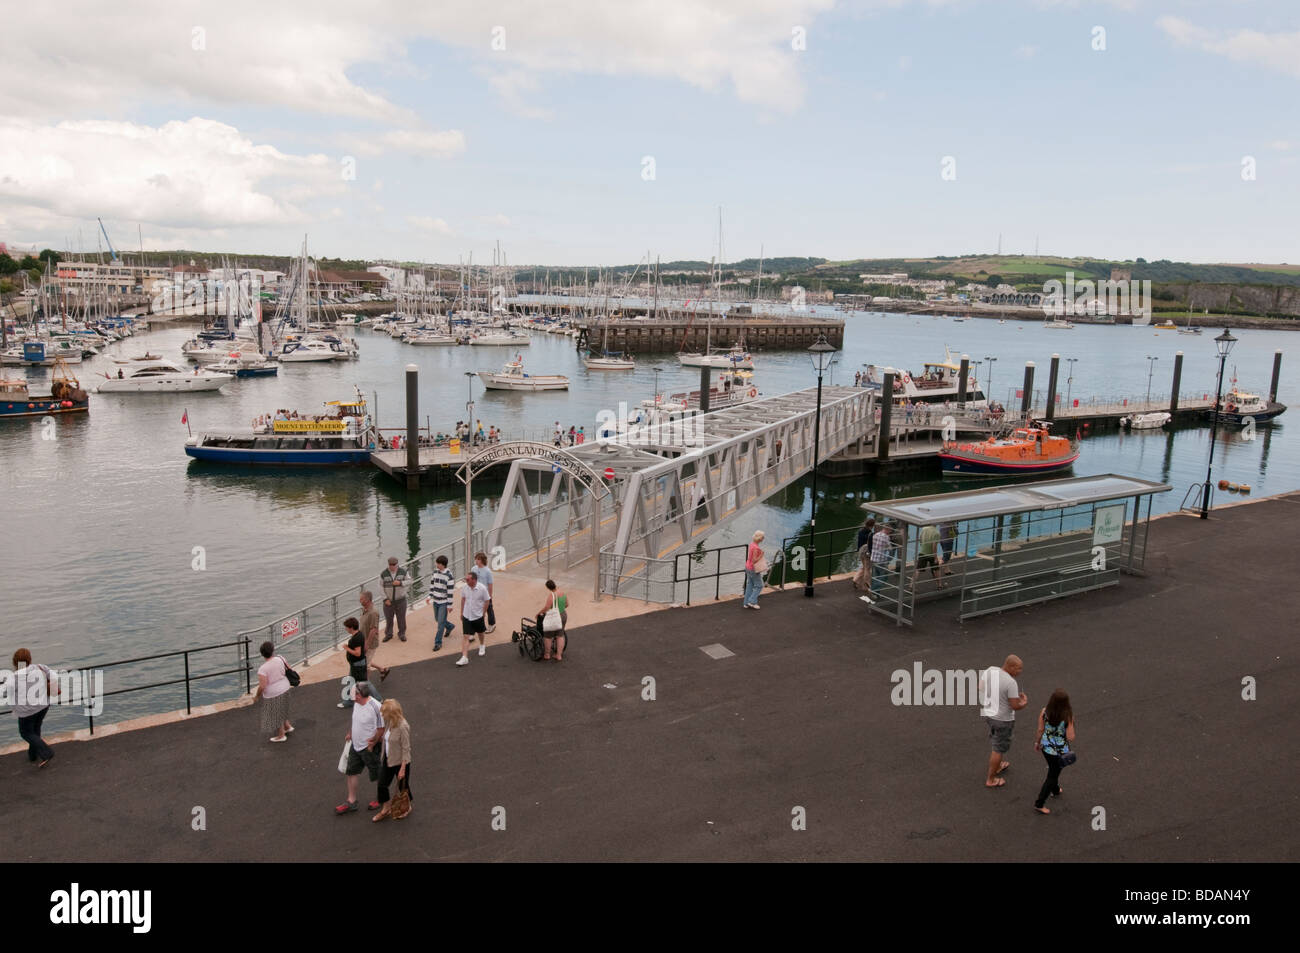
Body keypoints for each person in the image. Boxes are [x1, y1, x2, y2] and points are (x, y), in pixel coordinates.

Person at [335, 682, 385, 815]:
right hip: (355, 744)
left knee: (377, 773)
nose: (351, 695)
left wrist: (373, 743)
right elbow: (355, 719)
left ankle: (381, 798)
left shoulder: (375, 706)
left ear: (359, 695)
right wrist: (350, 733)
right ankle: (351, 801)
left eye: (352, 693)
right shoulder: (357, 704)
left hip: (369, 747)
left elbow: (381, 728)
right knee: (351, 771)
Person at [981, 655, 1028, 788]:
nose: (1020, 671)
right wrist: (1024, 703)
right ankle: (991, 778)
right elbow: (1015, 706)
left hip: (988, 714)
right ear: (1011, 667)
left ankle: (998, 764)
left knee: (996, 738)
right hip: (1002, 719)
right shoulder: (1011, 682)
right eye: (1019, 669)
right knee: (998, 749)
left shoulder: (990, 670)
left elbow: (981, 687)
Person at [1033, 689, 1076, 815]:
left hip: (1046, 748)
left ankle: (1056, 789)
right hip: (1059, 751)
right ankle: (1039, 803)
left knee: (1053, 768)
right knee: (1052, 775)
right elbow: (1070, 737)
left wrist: (1037, 743)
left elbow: (1040, 730)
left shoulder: (1044, 712)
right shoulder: (1067, 716)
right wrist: (1071, 722)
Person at [12, 648, 55, 767]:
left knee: (25, 733)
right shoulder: (40, 667)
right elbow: (53, 677)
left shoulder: (14, 677)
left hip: (27, 711)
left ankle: (46, 752)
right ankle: (33, 755)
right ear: (29, 659)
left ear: (15, 662)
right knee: (35, 730)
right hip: (43, 706)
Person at [372, 699, 412, 822]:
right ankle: (386, 808)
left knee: (402, 787)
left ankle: (407, 807)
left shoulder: (403, 726)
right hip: (388, 759)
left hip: (400, 762)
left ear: (392, 713)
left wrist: (402, 769)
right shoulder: (389, 721)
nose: (382, 715)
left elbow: (406, 749)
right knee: (382, 784)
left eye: (385, 713)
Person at [254, 641, 293, 742]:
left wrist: (257, 696)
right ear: (272, 650)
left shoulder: (263, 669)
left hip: (273, 693)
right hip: (285, 686)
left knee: (276, 714)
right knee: (283, 708)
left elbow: (262, 686)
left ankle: (281, 735)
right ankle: (287, 726)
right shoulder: (280, 658)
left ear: (262, 654)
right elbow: (289, 669)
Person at [456, 570, 490, 666]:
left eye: (468, 579)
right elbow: (463, 599)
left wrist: (483, 613)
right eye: (466, 579)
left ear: (474, 580)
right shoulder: (465, 588)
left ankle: (482, 645)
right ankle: (464, 657)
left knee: (480, 633)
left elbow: (487, 601)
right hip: (467, 615)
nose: (466, 581)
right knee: (466, 636)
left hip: (478, 615)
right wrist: (461, 612)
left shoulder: (482, 588)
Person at [338, 617, 368, 708]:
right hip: (358, 663)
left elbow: (357, 653)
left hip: (357, 664)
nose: (345, 629)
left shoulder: (356, 638)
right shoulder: (359, 635)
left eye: (346, 627)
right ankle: (377, 698)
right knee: (361, 683)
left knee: (353, 683)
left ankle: (348, 702)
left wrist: (347, 648)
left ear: (351, 627)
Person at [359, 590, 388, 681]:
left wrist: (367, 645)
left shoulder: (373, 613)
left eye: (361, 599)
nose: (359, 600)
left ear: (367, 600)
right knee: (364, 659)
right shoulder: (364, 610)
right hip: (363, 641)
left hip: (369, 643)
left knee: (365, 665)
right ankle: (382, 669)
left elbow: (373, 630)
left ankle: (365, 685)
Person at [429, 555, 455, 651]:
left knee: (440, 624)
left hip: (443, 603)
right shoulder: (435, 572)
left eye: (438, 563)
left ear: (443, 565)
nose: (436, 565)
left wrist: (449, 605)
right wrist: (429, 596)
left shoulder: (449, 576)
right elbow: (432, 584)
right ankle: (450, 626)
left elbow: (450, 592)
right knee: (438, 619)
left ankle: (438, 643)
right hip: (435, 601)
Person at [380, 557, 408, 643]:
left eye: (394, 565)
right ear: (388, 565)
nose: (392, 567)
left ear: (397, 564)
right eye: (390, 565)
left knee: (401, 618)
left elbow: (410, 581)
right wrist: (385, 599)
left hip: (401, 600)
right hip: (388, 602)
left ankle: (402, 634)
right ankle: (388, 634)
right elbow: (380, 587)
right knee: (389, 619)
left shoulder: (403, 572)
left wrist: (401, 583)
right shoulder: (383, 574)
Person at [539, 579, 567, 661]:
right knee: (560, 635)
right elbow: (567, 604)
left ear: (548, 588)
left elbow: (547, 608)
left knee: (548, 636)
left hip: (554, 617)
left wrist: (539, 613)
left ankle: (547, 654)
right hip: (563, 615)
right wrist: (560, 609)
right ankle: (558, 655)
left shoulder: (551, 596)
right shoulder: (562, 593)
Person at [742, 530, 766, 609]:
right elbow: (754, 560)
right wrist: (761, 554)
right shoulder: (756, 548)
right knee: (760, 585)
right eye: (763, 537)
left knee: (750, 584)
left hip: (748, 567)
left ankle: (746, 603)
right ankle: (751, 601)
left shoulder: (752, 544)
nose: (763, 538)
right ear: (760, 539)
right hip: (753, 569)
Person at [474, 551, 496, 634]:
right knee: (478, 609)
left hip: (485, 594)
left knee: (489, 609)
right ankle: (480, 626)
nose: (476, 561)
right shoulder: (474, 569)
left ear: (482, 560)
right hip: (476, 593)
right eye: (476, 559)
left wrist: (490, 595)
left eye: (478, 559)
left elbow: (490, 584)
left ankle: (492, 624)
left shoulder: (487, 571)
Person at [869, 521, 893, 596]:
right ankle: (874, 591)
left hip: (873, 558)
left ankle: (876, 592)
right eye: (890, 531)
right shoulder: (886, 537)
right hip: (881, 560)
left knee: (875, 576)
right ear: (887, 530)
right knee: (884, 576)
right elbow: (890, 549)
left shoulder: (875, 535)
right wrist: (889, 559)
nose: (890, 533)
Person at [918, 523, 944, 587]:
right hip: (931, 554)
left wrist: (922, 547)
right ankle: (939, 585)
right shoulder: (936, 532)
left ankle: (911, 585)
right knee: (936, 569)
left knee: (918, 570)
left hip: (923, 552)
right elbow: (934, 546)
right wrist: (935, 557)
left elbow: (920, 540)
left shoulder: (924, 529)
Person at [854, 518, 876, 592]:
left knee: (864, 567)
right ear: (872, 525)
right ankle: (867, 585)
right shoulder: (870, 533)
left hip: (860, 551)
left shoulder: (861, 531)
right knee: (867, 569)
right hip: (866, 552)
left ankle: (856, 579)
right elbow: (870, 545)